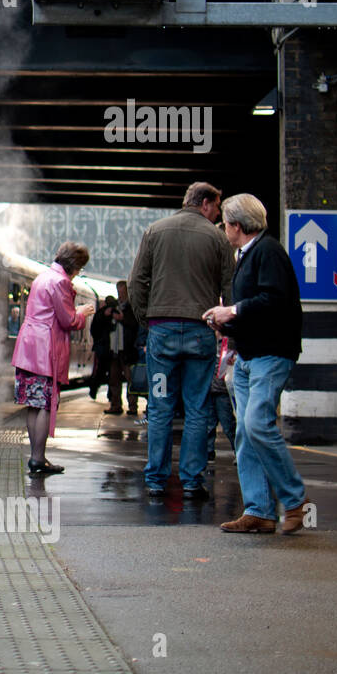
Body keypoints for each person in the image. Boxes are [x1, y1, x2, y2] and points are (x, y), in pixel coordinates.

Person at [202, 193, 309, 534]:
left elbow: (274, 300)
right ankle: (259, 510)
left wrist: (231, 310)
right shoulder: (247, 255)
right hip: (249, 354)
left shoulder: (268, 252)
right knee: (247, 433)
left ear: (236, 225)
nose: (224, 229)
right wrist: (226, 326)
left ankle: (294, 501)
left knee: (257, 424)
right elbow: (257, 309)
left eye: (225, 224)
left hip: (270, 354)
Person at [127, 182, 233, 500]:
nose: (218, 214)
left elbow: (136, 282)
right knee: (198, 408)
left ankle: (156, 480)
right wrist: (226, 327)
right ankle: (191, 480)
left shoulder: (155, 231)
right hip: (201, 334)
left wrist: (147, 320)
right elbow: (229, 287)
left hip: (162, 335)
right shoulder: (218, 238)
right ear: (204, 204)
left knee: (160, 406)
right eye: (216, 207)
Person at [12, 241, 96, 476]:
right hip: (45, 350)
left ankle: (36, 455)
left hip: (28, 347)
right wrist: (82, 313)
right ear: (75, 265)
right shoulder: (60, 282)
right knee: (46, 404)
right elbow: (68, 320)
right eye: (80, 268)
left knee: (33, 404)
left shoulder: (42, 277)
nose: (79, 273)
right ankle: (38, 458)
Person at [107, 279, 140, 415]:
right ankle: (115, 404)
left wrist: (123, 319)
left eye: (122, 292)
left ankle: (132, 405)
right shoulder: (113, 307)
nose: (120, 295)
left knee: (130, 379)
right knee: (114, 378)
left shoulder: (132, 308)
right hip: (114, 349)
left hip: (128, 349)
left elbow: (136, 325)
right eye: (118, 292)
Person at [205, 334, 237, 459]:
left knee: (228, 424)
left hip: (222, 389)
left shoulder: (228, 343)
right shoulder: (210, 342)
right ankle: (208, 452)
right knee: (209, 424)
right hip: (210, 389)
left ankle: (238, 451)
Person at [88, 296, 117, 401]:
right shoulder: (104, 314)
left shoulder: (100, 313)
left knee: (103, 370)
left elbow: (93, 329)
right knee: (110, 372)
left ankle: (95, 389)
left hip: (103, 347)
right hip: (107, 347)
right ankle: (110, 395)